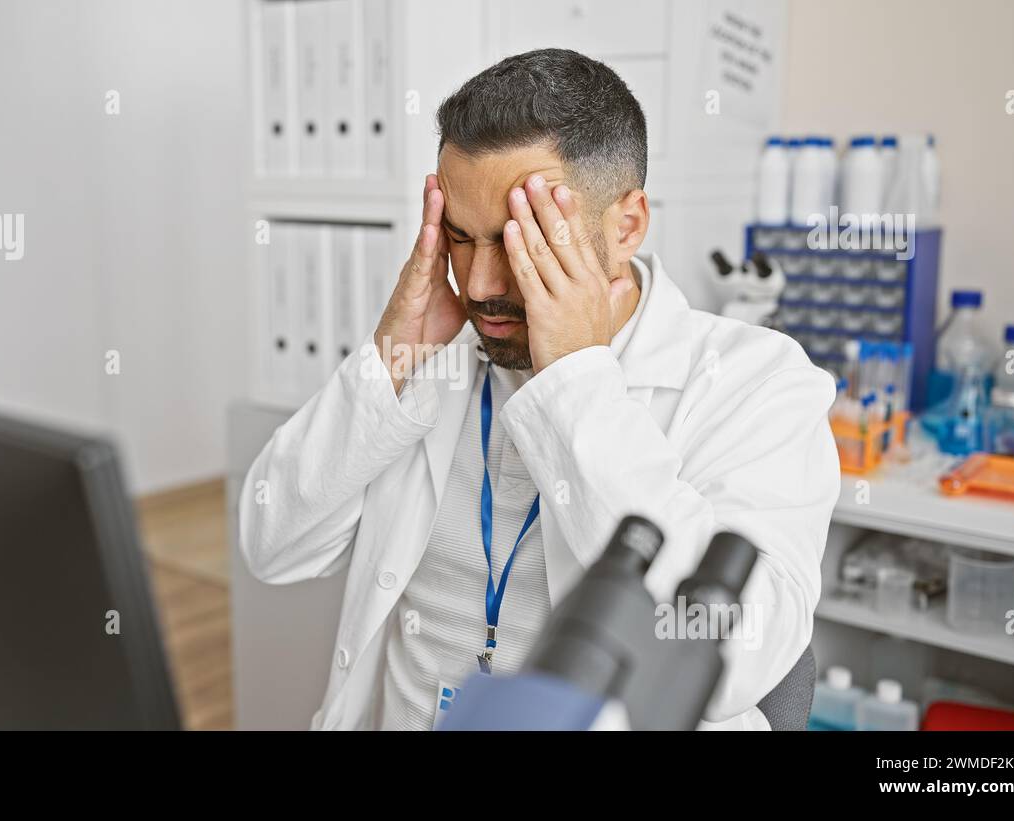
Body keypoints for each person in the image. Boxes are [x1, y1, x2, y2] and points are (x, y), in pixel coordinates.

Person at [239, 48, 840, 730]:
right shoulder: (433, 357)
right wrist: (391, 357)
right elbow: (273, 542)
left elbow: (737, 651)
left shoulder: (756, 379)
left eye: (522, 242)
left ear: (628, 225)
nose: (484, 284)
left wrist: (575, 382)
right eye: (461, 239)